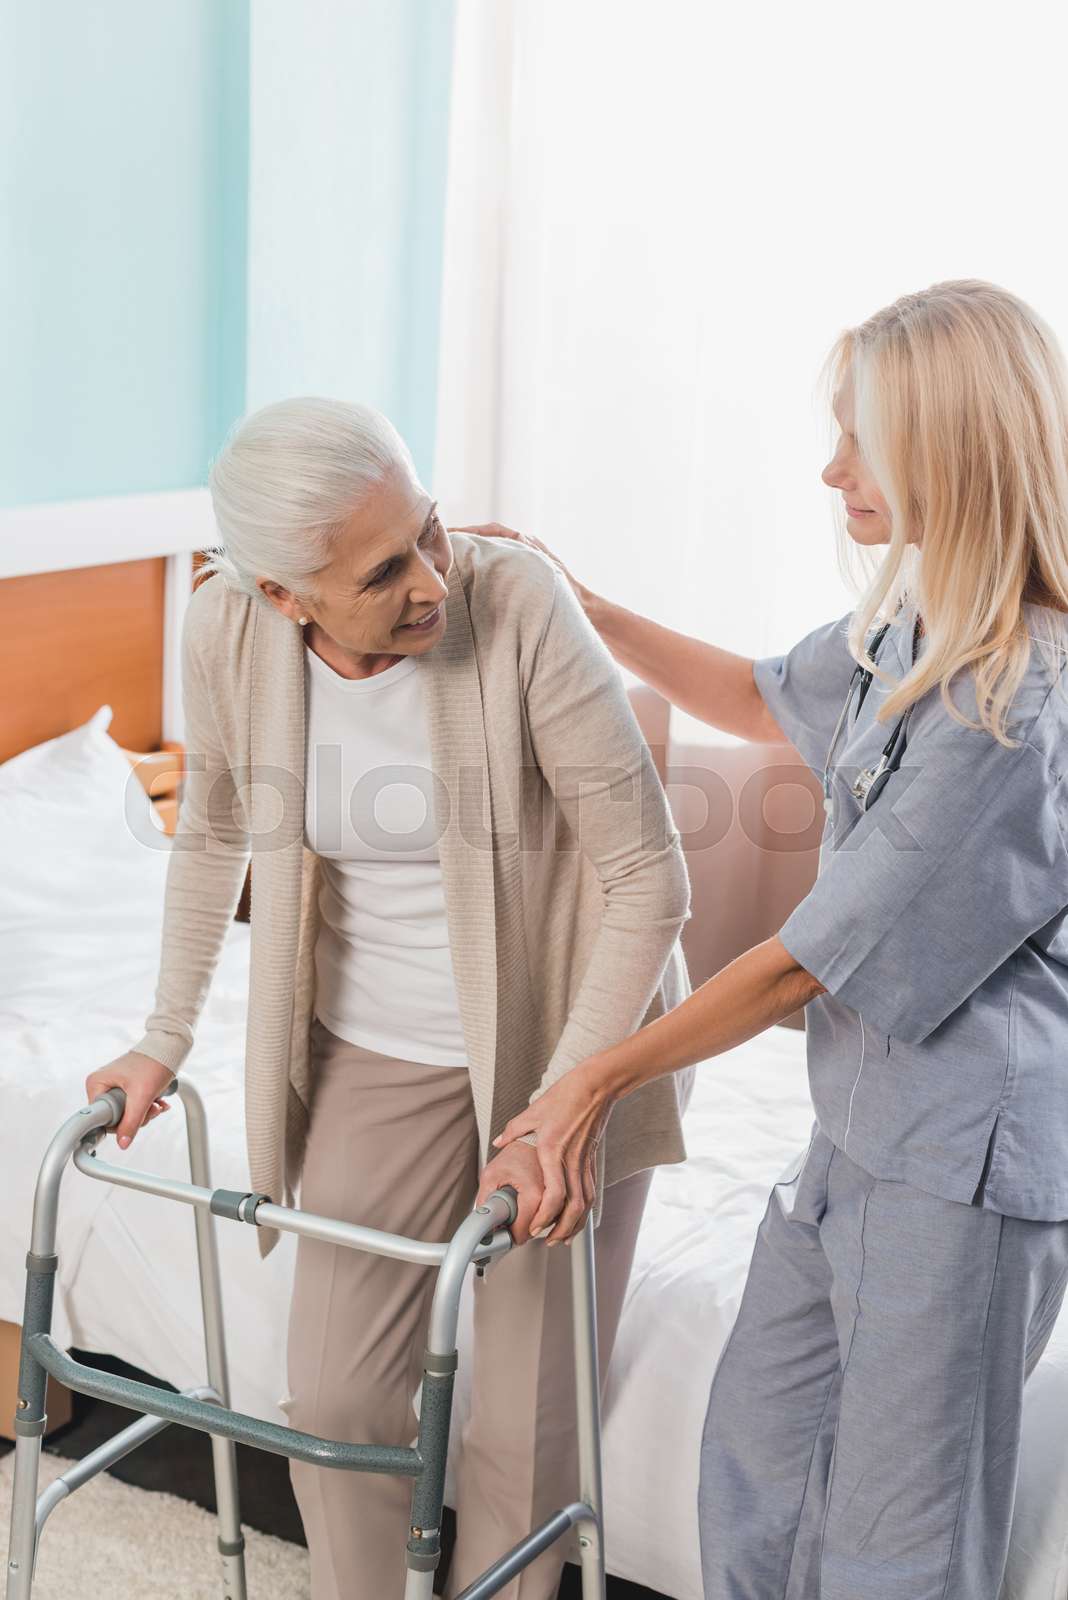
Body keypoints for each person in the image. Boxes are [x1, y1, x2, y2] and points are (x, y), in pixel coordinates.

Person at [487, 279, 1068, 1599]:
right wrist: (576, 600)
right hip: (852, 1130)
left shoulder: (1016, 703)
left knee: (894, 1541)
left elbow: (805, 960)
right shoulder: (914, 620)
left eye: (862, 438)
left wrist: (586, 1082)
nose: (832, 467)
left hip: (959, 1167)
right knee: (754, 1460)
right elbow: (755, 695)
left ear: (953, 449)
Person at [84, 396, 694, 1600]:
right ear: (281, 595)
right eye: (383, 570)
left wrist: (563, 1106)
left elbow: (648, 876)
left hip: (578, 1037)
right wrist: (163, 1036)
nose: (430, 578)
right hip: (378, 1047)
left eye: (429, 532)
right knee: (341, 1397)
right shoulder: (224, 629)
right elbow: (210, 839)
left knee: (522, 1438)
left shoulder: (514, 602)